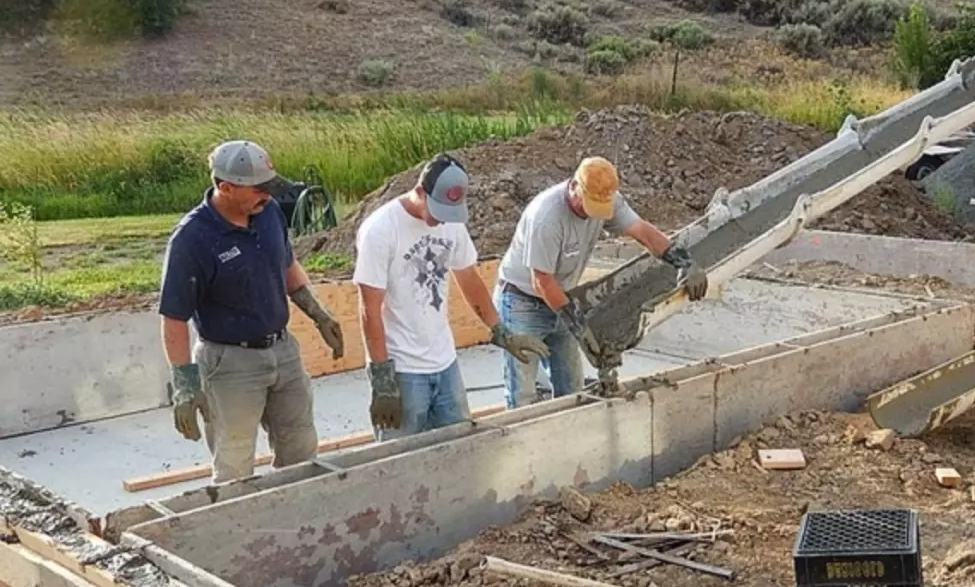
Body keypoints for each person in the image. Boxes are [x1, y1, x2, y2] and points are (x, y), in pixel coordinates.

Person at [158, 139, 345, 484]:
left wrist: (319, 314)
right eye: (259, 189)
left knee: (302, 448)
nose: (267, 196)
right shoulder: (192, 239)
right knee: (234, 462)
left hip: (283, 351)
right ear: (226, 188)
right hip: (230, 363)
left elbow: (286, 264)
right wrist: (184, 384)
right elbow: (173, 318)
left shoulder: (268, 211)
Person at [353, 153, 549, 439]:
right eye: (436, 210)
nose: (440, 220)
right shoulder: (381, 230)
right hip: (403, 369)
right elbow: (369, 309)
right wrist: (383, 379)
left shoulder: (451, 222)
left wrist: (501, 331)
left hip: (445, 364)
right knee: (398, 462)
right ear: (420, 191)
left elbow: (469, 279)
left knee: (459, 449)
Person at [494, 156, 708, 409]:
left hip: (563, 298)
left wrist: (682, 260)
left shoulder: (607, 198)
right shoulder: (547, 218)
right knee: (522, 394)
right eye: (589, 204)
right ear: (574, 186)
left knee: (571, 388)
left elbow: (642, 231)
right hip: (522, 302)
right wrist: (578, 324)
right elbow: (541, 279)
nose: (592, 212)